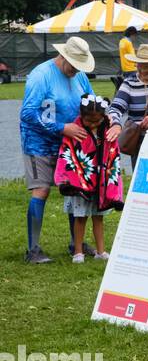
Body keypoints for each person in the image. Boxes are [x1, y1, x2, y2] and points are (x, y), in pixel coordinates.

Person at [20, 37, 96, 263]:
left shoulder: (80, 75)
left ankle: (77, 245)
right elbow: (27, 113)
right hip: (39, 143)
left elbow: (90, 102)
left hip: (70, 144)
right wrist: (62, 128)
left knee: (74, 190)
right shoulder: (40, 76)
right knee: (41, 190)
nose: (76, 70)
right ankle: (33, 250)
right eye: (74, 64)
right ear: (63, 57)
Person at [55, 94, 123, 263]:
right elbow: (67, 154)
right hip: (81, 185)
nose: (93, 124)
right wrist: (68, 181)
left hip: (100, 184)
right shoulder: (75, 130)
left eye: (96, 121)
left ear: (103, 117)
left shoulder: (107, 130)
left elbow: (113, 155)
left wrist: (111, 182)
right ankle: (78, 252)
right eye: (89, 121)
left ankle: (100, 251)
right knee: (80, 217)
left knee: (99, 217)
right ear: (82, 115)